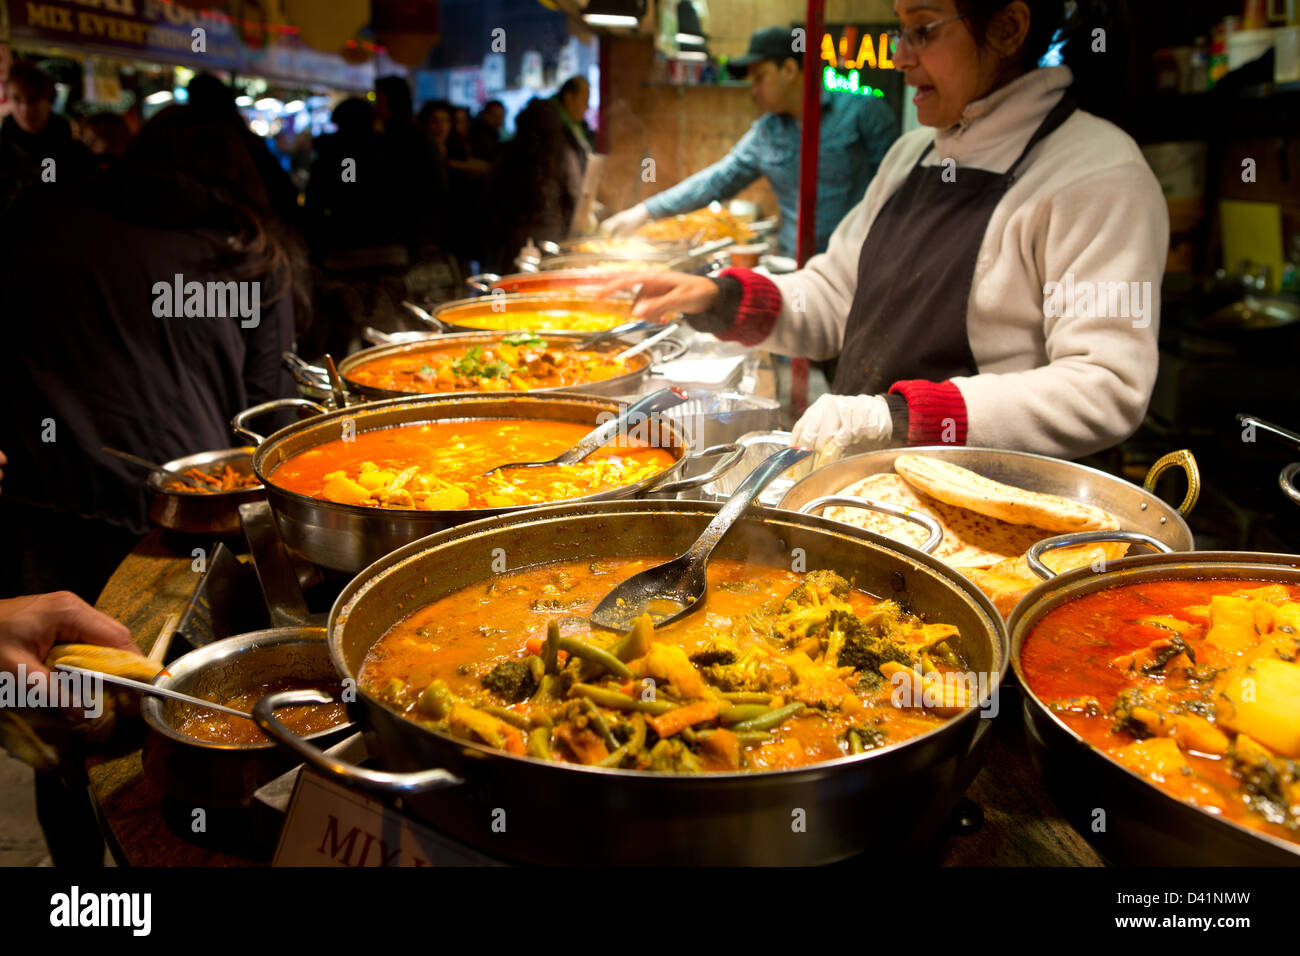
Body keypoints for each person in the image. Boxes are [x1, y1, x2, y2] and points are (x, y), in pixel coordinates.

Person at [602, 0, 1165, 463]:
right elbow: (835, 296)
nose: (899, 58)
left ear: (1011, 26)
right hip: (877, 493)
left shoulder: (1097, 172)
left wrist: (895, 417)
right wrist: (722, 297)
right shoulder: (912, 155)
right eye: (900, 32)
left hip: (998, 525)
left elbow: (1106, 387)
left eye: (922, 31)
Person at [0, 105, 301, 601]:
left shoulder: (40, 225)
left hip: (38, 506)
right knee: (152, 669)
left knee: (52, 670)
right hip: (183, 515)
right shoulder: (247, 252)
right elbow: (268, 412)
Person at [602, 26, 899, 257]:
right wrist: (645, 212)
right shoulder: (766, 133)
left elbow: (898, 194)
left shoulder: (863, 113)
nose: (753, 90)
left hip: (858, 264)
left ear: (789, 70)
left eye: (759, 78)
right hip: (796, 266)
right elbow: (716, 180)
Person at [492, 76, 592, 268]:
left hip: (513, 238)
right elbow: (575, 193)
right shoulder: (561, 149)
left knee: (516, 284)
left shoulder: (510, 151)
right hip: (551, 237)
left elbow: (493, 199)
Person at [0, 60, 93, 215]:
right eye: (17, 99)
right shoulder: (3, 151)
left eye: (33, 99)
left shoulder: (74, 154)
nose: (25, 109)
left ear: (49, 101)